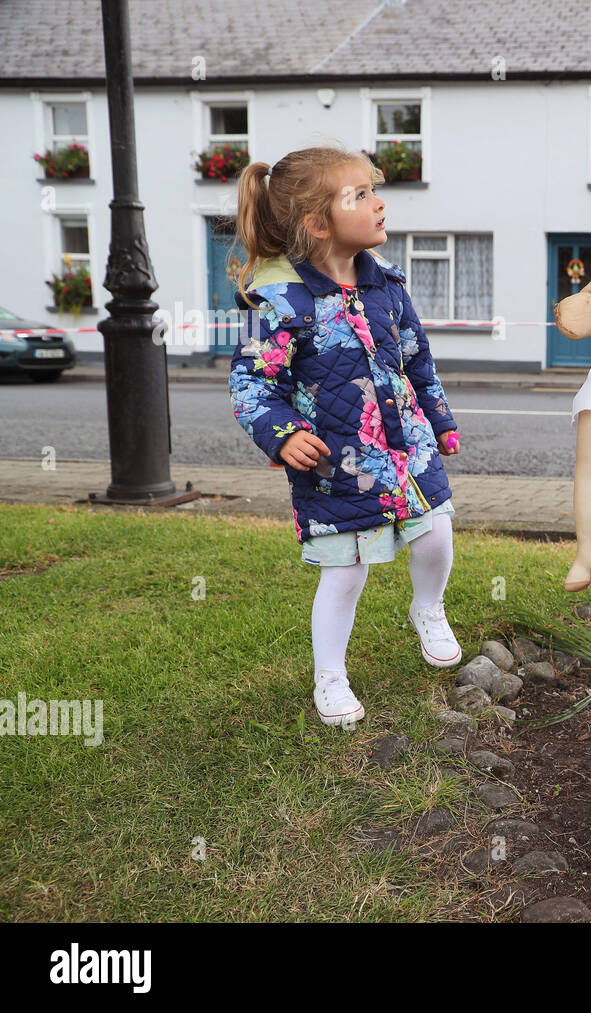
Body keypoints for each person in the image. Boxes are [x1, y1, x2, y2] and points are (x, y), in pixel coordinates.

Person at [228, 144, 462, 728]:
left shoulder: (387, 285)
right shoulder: (283, 301)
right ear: (317, 222)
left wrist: (440, 418)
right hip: (338, 465)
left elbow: (417, 359)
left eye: (375, 191)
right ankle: (329, 675)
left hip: (408, 446)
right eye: (361, 195)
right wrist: (281, 436)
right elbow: (253, 382)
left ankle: (427, 607)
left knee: (436, 534)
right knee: (345, 572)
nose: (380, 204)